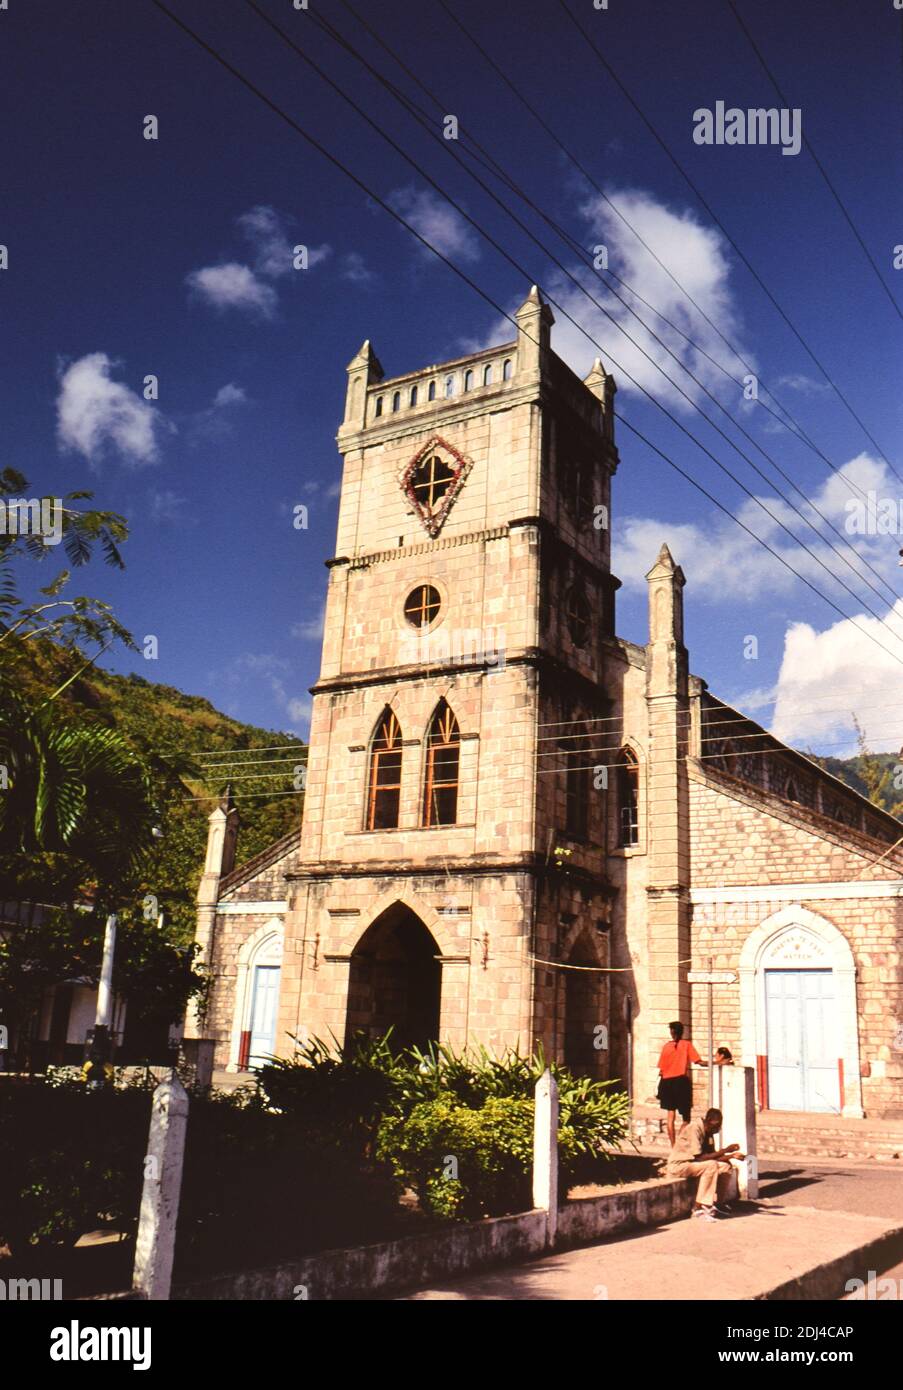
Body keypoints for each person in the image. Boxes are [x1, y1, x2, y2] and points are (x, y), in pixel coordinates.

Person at [666, 1107, 744, 1222]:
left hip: (693, 1164)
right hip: (680, 1165)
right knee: (711, 1165)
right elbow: (701, 1157)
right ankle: (698, 1208)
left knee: (726, 1167)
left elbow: (713, 1155)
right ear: (709, 1121)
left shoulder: (709, 1132)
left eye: (719, 1125)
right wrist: (726, 1150)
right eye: (716, 1125)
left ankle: (718, 1203)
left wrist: (731, 1156)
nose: (718, 1128)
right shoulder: (694, 1128)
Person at [657, 1020, 708, 1146]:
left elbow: (661, 1069)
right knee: (686, 1118)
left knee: (670, 1117)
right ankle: (679, 1144)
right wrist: (715, 1063)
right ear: (682, 1031)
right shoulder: (686, 1045)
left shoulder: (666, 1047)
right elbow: (698, 1061)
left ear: (671, 1032)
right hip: (680, 1082)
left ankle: (673, 1145)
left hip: (666, 1083)